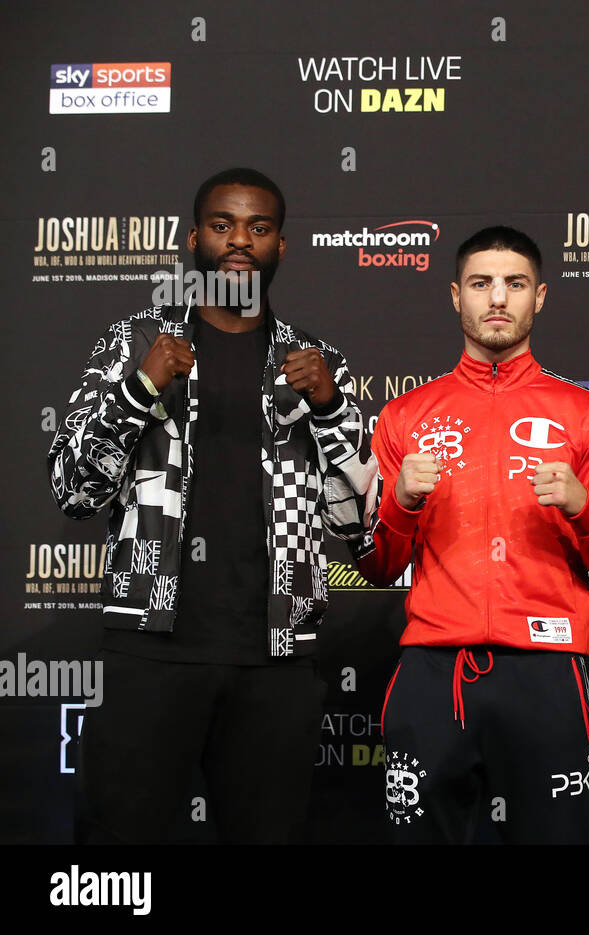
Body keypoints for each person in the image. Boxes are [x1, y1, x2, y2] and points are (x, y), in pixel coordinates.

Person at [48, 167, 372, 843]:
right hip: (150, 649)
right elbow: (73, 490)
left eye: (259, 227)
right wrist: (141, 388)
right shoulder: (136, 342)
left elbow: (358, 524)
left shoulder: (316, 362)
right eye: (223, 224)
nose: (240, 241)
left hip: (276, 661)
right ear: (193, 237)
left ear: (282, 245)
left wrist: (330, 407)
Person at [354, 226, 589, 844]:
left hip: (546, 671)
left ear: (538, 297)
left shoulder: (585, 412)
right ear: (454, 295)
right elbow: (378, 565)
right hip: (434, 670)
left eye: (514, 284)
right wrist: (402, 502)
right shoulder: (406, 415)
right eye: (481, 283)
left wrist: (583, 506)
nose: (496, 299)